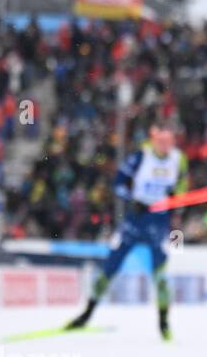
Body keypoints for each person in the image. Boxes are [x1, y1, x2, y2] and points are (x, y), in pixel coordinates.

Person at [65, 121, 188, 341]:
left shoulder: (178, 159)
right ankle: (86, 314)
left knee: (159, 271)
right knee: (112, 265)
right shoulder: (140, 156)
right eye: (160, 141)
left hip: (159, 220)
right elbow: (118, 184)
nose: (164, 146)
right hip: (136, 217)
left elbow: (182, 186)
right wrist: (132, 199)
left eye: (168, 141)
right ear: (153, 139)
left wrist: (175, 198)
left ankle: (164, 322)